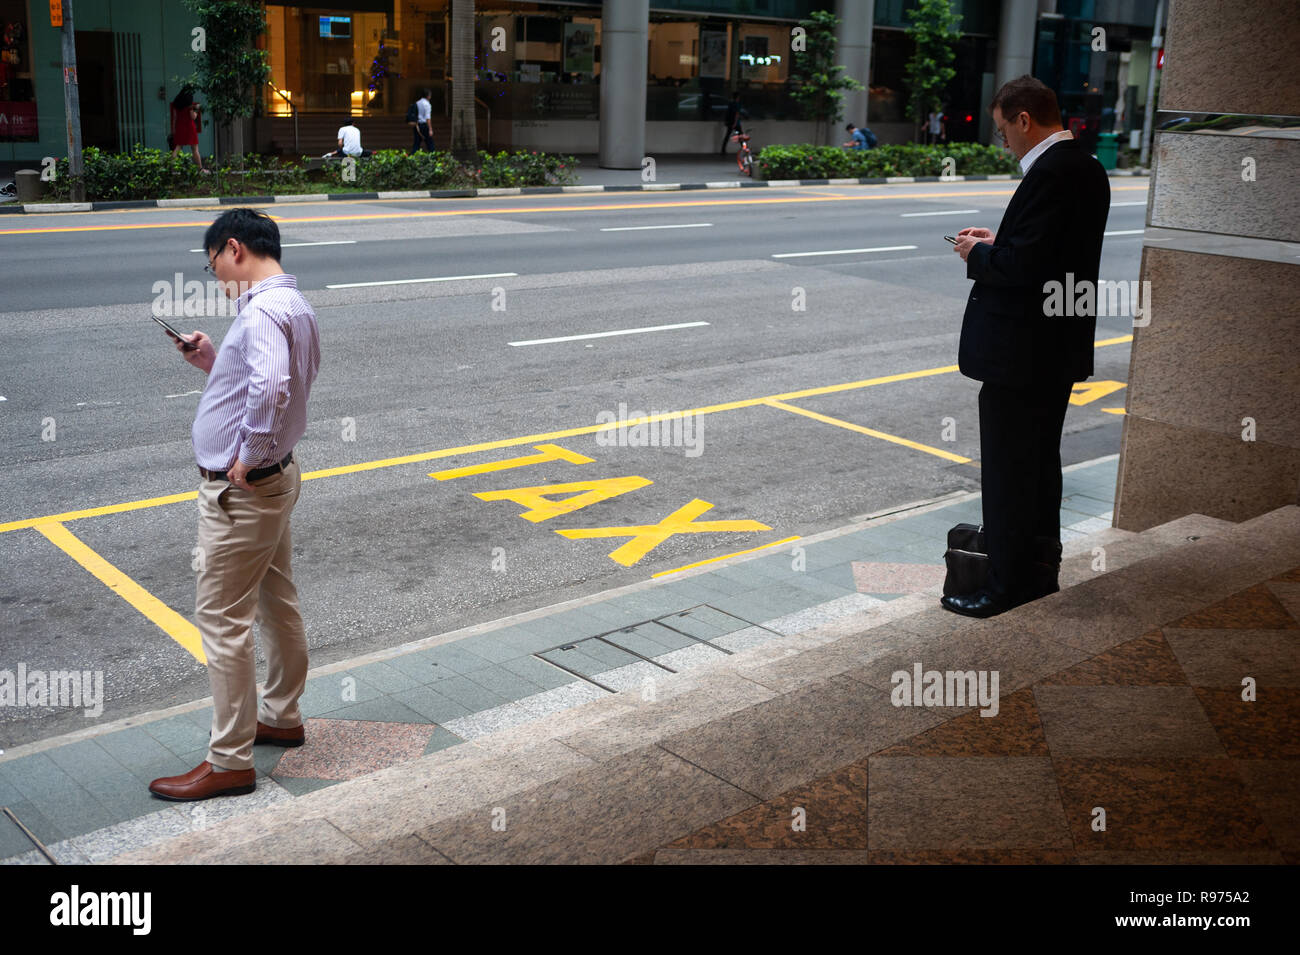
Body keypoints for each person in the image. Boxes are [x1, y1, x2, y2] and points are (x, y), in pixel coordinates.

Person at [148, 208, 321, 800]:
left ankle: (229, 761)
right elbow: (282, 379)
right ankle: (281, 715)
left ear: (233, 249)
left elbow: (273, 389)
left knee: (222, 621)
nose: (216, 275)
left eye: (213, 263)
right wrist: (212, 361)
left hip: (243, 489)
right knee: (276, 601)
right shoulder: (293, 305)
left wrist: (245, 456)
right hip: (277, 481)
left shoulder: (262, 311)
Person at [942, 75, 1110, 619]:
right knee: (1038, 470)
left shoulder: (1053, 171)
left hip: (1023, 357)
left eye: (1002, 132)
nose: (1004, 143)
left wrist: (978, 256)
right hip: (1051, 353)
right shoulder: (1085, 167)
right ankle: (1038, 574)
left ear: (1023, 120)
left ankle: (1005, 586)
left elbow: (1026, 269)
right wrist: (1001, 241)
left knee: (1011, 475)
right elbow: (1049, 253)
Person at [170, 86, 208, 173]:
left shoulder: (176, 104)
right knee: (194, 149)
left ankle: (171, 168)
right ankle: (200, 169)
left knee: (177, 148)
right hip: (189, 128)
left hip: (179, 127)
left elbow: (175, 118)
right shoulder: (190, 106)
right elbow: (193, 117)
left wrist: (173, 129)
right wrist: (197, 109)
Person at [410, 88, 434, 153]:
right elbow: (428, 118)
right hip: (424, 126)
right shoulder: (427, 104)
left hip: (417, 126)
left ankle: (412, 158)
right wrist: (430, 129)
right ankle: (433, 158)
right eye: (430, 95)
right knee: (430, 144)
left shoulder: (417, 103)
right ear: (428, 95)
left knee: (416, 144)